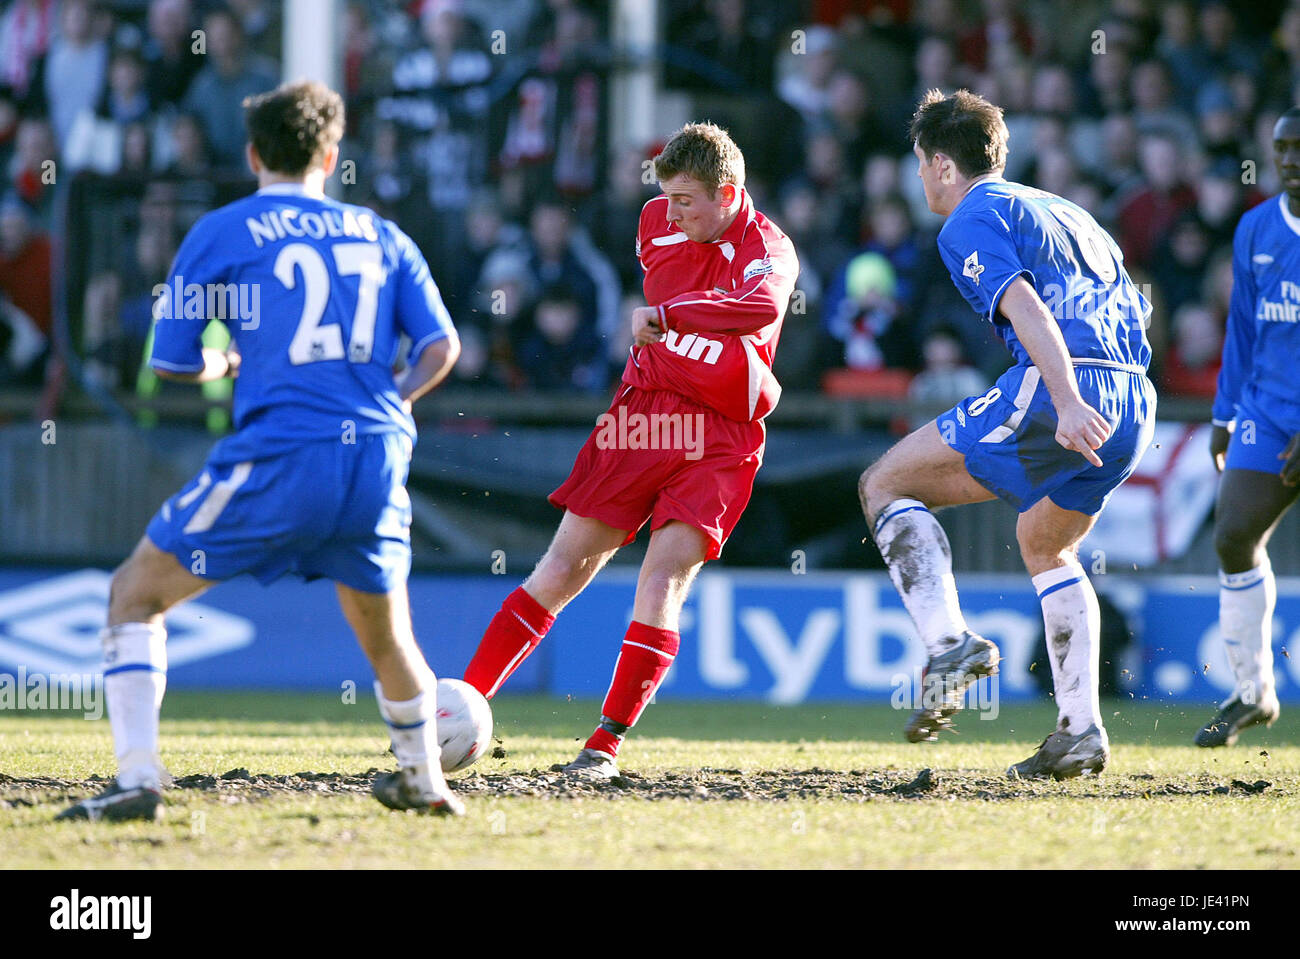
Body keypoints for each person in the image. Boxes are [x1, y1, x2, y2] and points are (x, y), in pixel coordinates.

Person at [58, 81, 464, 821]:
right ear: (332, 156)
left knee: (133, 595)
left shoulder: (221, 230)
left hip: (281, 453)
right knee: (388, 633)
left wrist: (227, 364)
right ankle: (426, 779)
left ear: (252, 154)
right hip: (374, 455)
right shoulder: (381, 233)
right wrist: (388, 402)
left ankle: (139, 776)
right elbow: (442, 346)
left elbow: (174, 359)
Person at [461, 122, 798, 778]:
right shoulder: (653, 223)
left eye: (686, 200)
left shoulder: (771, 248)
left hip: (722, 433)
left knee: (663, 575)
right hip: (644, 415)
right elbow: (698, 306)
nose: (670, 212)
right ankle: (461, 704)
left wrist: (673, 319)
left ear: (728, 194)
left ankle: (602, 746)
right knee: (560, 568)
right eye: (666, 196)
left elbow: (758, 306)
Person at [858, 89, 1156, 780]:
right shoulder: (1071, 213)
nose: (920, 179)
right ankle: (1080, 730)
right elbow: (1139, 307)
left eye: (919, 164)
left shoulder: (972, 215)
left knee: (884, 482)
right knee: (1044, 543)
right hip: (1133, 397)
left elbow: (1023, 306)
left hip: (1067, 388)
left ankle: (949, 643)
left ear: (939, 163)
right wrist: (1108, 396)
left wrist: (1069, 397)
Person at [1196, 108, 1300, 748]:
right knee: (1234, 535)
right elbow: (1242, 327)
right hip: (1265, 410)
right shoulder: (1256, 227)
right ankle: (1253, 689)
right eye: (1282, 147)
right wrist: (1223, 415)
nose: (1290, 158)